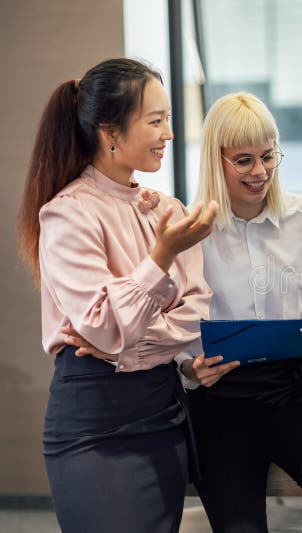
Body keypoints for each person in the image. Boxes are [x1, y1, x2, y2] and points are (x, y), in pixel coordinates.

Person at [17, 58, 218, 533]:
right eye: (155, 120)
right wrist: (161, 257)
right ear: (110, 130)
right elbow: (105, 326)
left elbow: (195, 314)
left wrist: (125, 347)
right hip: (96, 422)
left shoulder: (167, 210)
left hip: (163, 412)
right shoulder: (67, 214)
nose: (168, 132)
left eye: (168, 118)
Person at [176, 92, 302, 533]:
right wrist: (189, 367)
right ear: (216, 161)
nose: (260, 172)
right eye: (243, 160)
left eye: (268, 156)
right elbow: (175, 324)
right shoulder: (189, 229)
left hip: (290, 391)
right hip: (219, 400)